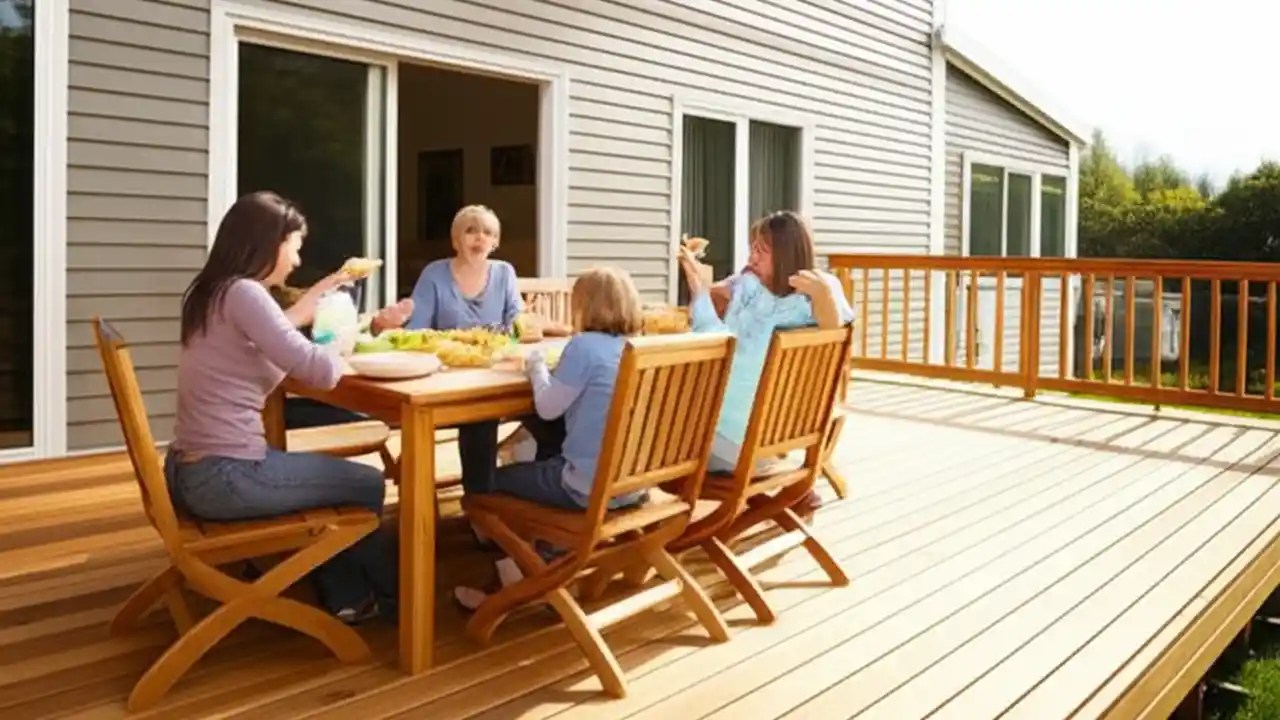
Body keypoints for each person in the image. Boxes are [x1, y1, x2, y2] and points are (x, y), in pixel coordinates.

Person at [165, 190, 400, 624]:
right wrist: (345, 332)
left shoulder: (211, 292)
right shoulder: (246, 295)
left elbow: (268, 348)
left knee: (323, 475)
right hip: (225, 477)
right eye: (294, 246)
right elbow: (322, 371)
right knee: (366, 483)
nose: (295, 259)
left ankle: (345, 589)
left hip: (187, 471)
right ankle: (385, 600)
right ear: (270, 243)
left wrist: (317, 302)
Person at [453, 267, 646, 610]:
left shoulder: (584, 346)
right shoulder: (636, 349)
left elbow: (547, 408)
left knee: (485, 486)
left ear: (584, 306)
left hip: (586, 489)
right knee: (547, 451)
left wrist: (536, 365)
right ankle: (545, 557)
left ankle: (519, 574)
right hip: (633, 486)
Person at [678, 210, 854, 478]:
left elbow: (716, 344)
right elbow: (836, 334)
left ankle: (622, 503)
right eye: (752, 249)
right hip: (783, 439)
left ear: (785, 253)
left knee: (649, 426)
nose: (751, 258)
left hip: (733, 446)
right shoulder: (797, 305)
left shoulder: (809, 297)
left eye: (761, 251)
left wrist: (698, 291)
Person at [404, 205, 523, 500]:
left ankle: (535, 502)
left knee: (549, 416)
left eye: (488, 233)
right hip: (447, 381)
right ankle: (481, 507)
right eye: (471, 230)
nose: (479, 238)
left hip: (497, 375)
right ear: (456, 240)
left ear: (495, 242)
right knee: (480, 417)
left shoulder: (505, 273)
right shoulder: (435, 274)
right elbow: (415, 332)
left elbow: (518, 323)